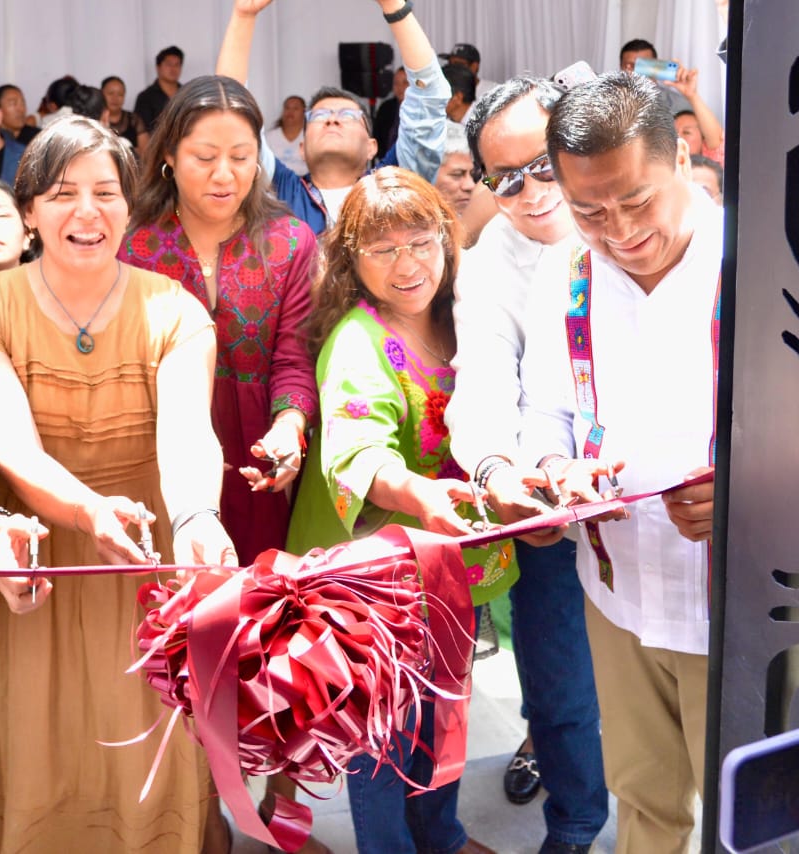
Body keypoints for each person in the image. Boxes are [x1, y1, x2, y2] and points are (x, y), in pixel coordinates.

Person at [0, 115, 237, 854]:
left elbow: (188, 430)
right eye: (63, 194)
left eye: (106, 192)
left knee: (141, 745)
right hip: (29, 558)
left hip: (140, 559)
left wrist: (196, 512)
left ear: (131, 207)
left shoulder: (175, 310)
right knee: (29, 741)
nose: (87, 212)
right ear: (29, 209)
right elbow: (11, 446)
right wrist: (88, 510)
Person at [285, 166, 515, 854]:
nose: (407, 264)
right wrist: (420, 494)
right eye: (381, 250)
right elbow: (357, 454)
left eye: (420, 242)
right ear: (351, 263)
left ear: (448, 239)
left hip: (451, 566)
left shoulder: (471, 317)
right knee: (379, 729)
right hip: (379, 580)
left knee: (444, 706)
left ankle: (439, 833)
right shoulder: (357, 341)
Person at [522, 71, 723, 853]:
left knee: (751, 816)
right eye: (588, 210)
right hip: (619, 593)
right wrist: (551, 469)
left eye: (636, 201)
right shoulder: (566, 271)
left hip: (733, 604)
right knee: (642, 798)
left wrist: (745, 494)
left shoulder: (759, 268)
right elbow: (547, 405)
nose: (618, 230)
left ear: (683, 156)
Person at [448, 75, 610, 854]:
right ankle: (576, 826)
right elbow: (481, 383)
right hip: (548, 511)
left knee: (676, 685)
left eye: (544, 164)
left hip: (666, 508)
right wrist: (493, 473)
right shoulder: (487, 262)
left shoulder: (630, 218)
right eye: (505, 180)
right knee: (558, 685)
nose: (531, 189)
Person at [124, 74, 318, 561]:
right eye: (205, 158)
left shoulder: (290, 242)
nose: (225, 175)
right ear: (169, 155)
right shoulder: (131, 244)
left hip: (258, 459)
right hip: (153, 458)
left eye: (241, 157)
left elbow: (295, 360)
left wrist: (289, 428)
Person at [217, 0, 449, 235]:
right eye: (319, 115)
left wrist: (394, 6)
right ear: (302, 148)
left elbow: (428, 97)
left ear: (371, 147)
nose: (332, 120)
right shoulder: (279, 192)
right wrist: (243, 16)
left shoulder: (396, 186)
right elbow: (229, 115)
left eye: (348, 115)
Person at [135, 45, 185, 132]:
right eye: (169, 64)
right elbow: (143, 132)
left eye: (177, 64)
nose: (173, 69)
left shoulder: (187, 93)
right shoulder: (145, 97)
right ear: (158, 67)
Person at [101, 75, 149, 151]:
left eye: (120, 94)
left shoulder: (134, 119)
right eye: (110, 93)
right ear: (101, 94)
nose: (115, 98)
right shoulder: (95, 119)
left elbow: (146, 152)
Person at [265, 94, 307, 174]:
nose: (290, 112)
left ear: (304, 112)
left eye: (295, 108)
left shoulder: (309, 137)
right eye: (287, 108)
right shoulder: (270, 137)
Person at [372, 66, 408, 160]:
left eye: (405, 83)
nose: (400, 87)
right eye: (396, 83)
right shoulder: (386, 108)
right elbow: (377, 137)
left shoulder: (423, 109)